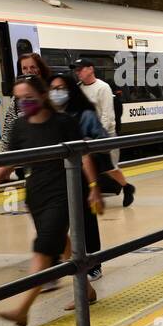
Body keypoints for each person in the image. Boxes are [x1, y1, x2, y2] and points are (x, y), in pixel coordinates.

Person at [0, 75, 104, 326]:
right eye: (19, 98)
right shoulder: (19, 126)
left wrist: (93, 187)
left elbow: (83, 157)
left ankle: (22, 309)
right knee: (61, 242)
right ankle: (87, 289)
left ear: (42, 95)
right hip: (36, 193)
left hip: (64, 193)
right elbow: (9, 160)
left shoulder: (64, 123)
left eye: (29, 97)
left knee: (43, 250)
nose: (24, 103)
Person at [50, 72, 109, 283]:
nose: (56, 93)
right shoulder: (49, 115)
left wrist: (87, 144)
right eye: (52, 89)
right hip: (57, 177)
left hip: (84, 174)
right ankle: (56, 265)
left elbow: (101, 140)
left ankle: (93, 264)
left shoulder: (84, 113)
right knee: (56, 223)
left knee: (87, 221)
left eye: (60, 88)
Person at [71, 59, 135, 206]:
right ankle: (89, 195)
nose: (77, 72)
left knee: (110, 167)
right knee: (86, 166)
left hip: (105, 136)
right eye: (76, 70)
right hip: (85, 137)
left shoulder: (103, 88)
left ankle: (127, 187)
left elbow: (107, 115)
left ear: (90, 69)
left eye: (80, 69)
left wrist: (98, 136)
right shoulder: (78, 88)